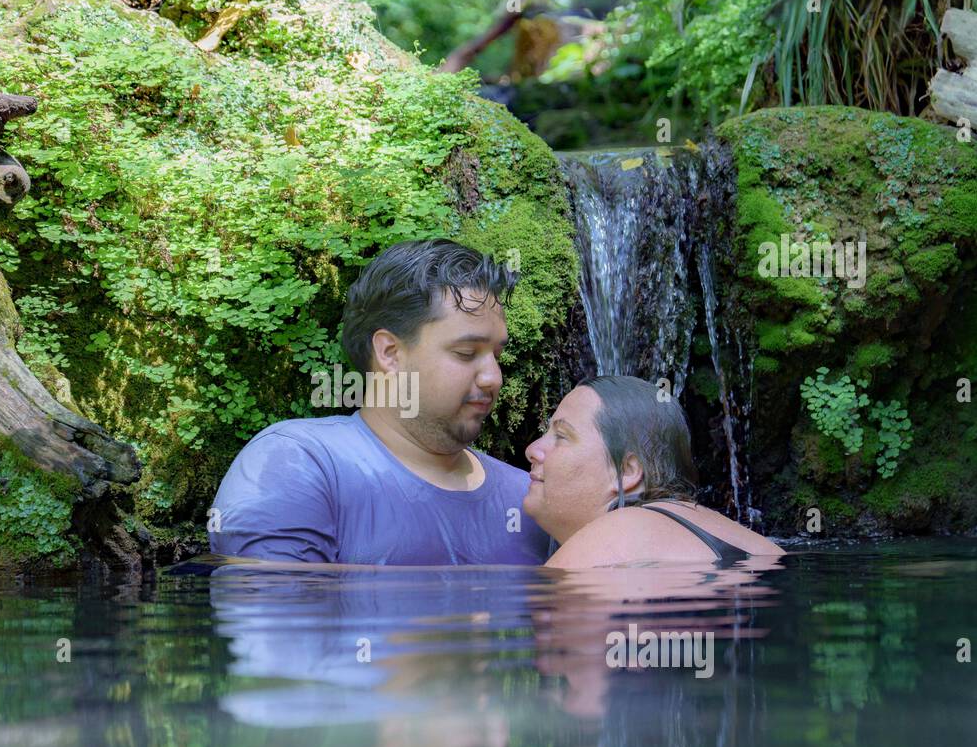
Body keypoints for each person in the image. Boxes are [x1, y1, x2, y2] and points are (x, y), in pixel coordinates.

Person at [208, 239, 552, 565]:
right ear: (389, 352)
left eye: (496, 355)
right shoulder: (299, 464)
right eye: (466, 353)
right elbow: (275, 615)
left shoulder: (531, 498)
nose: (493, 377)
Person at [524, 376, 785, 567]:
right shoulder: (742, 537)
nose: (532, 449)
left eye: (561, 435)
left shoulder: (618, 534)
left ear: (626, 472)